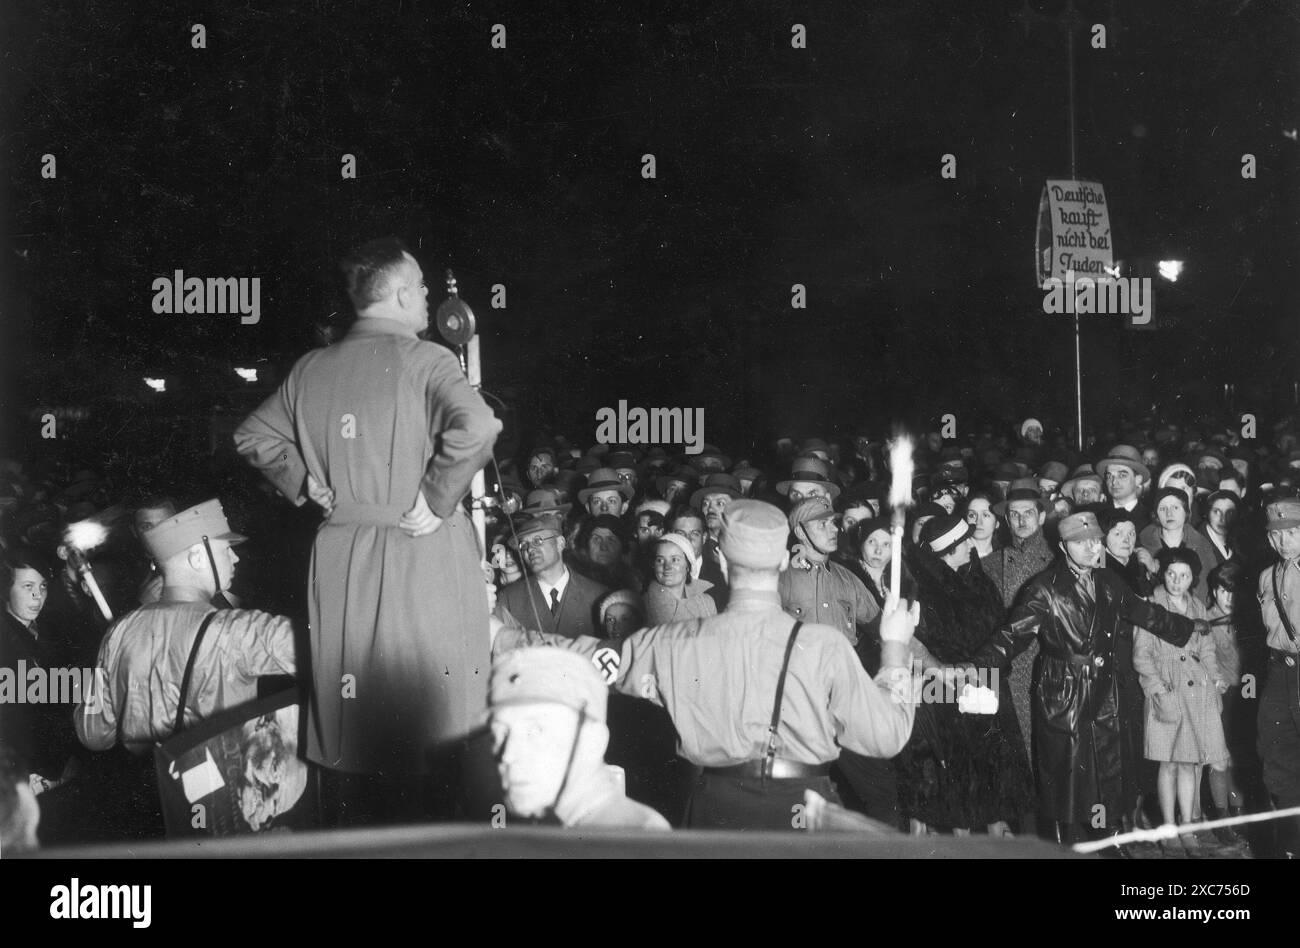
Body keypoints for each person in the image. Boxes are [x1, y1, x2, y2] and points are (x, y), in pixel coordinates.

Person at [233, 237, 501, 811]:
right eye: (424, 284)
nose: (430, 294)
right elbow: (479, 425)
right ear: (403, 293)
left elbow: (251, 435)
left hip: (342, 559)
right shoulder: (427, 359)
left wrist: (306, 481)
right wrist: (437, 495)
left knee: (361, 741)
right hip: (420, 548)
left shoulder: (311, 368)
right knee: (438, 733)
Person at [494, 500, 922, 830]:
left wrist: (503, 636)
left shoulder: (675, 642)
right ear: (779, 562)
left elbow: (587, 656)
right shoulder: (824, 645)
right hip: (802, 810)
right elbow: (886, 735)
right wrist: (896, 648)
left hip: (716, 808)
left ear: (720, 561)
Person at [962, 511, 1209, 853]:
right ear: (1063, 547)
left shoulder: (1109, 582)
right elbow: (1011, 635)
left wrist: (1186, 626)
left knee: (1104, 772)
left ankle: (1104, 837)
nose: (1091, 547)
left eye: (1094, 540)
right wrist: (975, 666)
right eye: (1081, 542)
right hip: (1062, 688)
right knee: (1064, 773)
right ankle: (1063, 843)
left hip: (1104, 688)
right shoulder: (1044, 589)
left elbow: (1143, 612)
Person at [898, 514, 1033, 838]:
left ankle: (998, 828)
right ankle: (963, 838)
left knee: (996, 765)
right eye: (964, 542)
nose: (973, 545)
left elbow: (998, 625)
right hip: (951, 692)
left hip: (988, 683)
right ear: (948, 551)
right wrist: (955, 671)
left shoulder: (977, 578)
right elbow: (923, 641)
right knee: (964, 771)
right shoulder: (926, 590)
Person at [487, 648, 670, 830]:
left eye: (535, 730)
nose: (507, 755)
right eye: (500, 733)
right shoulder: (563, 827)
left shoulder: (636, 839)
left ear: (593, 743)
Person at [1133, 547, 1228, 856]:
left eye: (1184, 576)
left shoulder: (1198, 605)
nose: (1176, 581)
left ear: (1193, 578)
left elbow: (1208, 648)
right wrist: (1158, 691)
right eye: (1171, 574)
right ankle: (1169, 827)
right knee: (1169, 763)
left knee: (1189, 763)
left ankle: (1187, 827)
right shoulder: (1150, 605)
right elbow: (1142, 656)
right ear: (1163, 574)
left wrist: (1215, 680)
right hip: (1167, 690)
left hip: (1196, 692)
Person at [1256, 497, 1300, 857]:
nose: (1283, 542)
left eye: (1292, 532)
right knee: (1277, 756)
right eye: (1277, 535)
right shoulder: (1266, 576)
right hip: (1277, 671)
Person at [499, 518, 608, 639]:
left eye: (537, 541)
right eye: (523, 545)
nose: (530, 549)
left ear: (560, 543)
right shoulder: (509, 599)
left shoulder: (597, 596)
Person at [1204, 560, 1247, 844]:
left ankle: (1239, 812)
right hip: (1217, 697)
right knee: (1219, 760)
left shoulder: (1248, 619)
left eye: (1235, 591)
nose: (1229, 598)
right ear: (1214, 591)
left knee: (1239, 756)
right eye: (1223, 591)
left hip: (1242, 695)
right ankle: (1221, 818)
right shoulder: (1206, 621)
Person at [1139, 486, 1217, 601]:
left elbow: (1210, 586)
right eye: (1162, 509)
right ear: (1155, 514)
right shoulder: (1143, 543)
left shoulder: (1202, 545)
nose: (1169, 514)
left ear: (1186, 512)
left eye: (1175, 508)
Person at [644, 533, 716, 625]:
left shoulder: (706, 602)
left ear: (688, 564)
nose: (667, 567)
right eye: (660, 560)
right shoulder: (645, 606)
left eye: (675, 560)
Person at [1097, 444, 1152, 525]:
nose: (1114, 482)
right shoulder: (1098, 519)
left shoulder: (1150, 519)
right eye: (1109, 476)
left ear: (1137, 480)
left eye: (1122, 475)